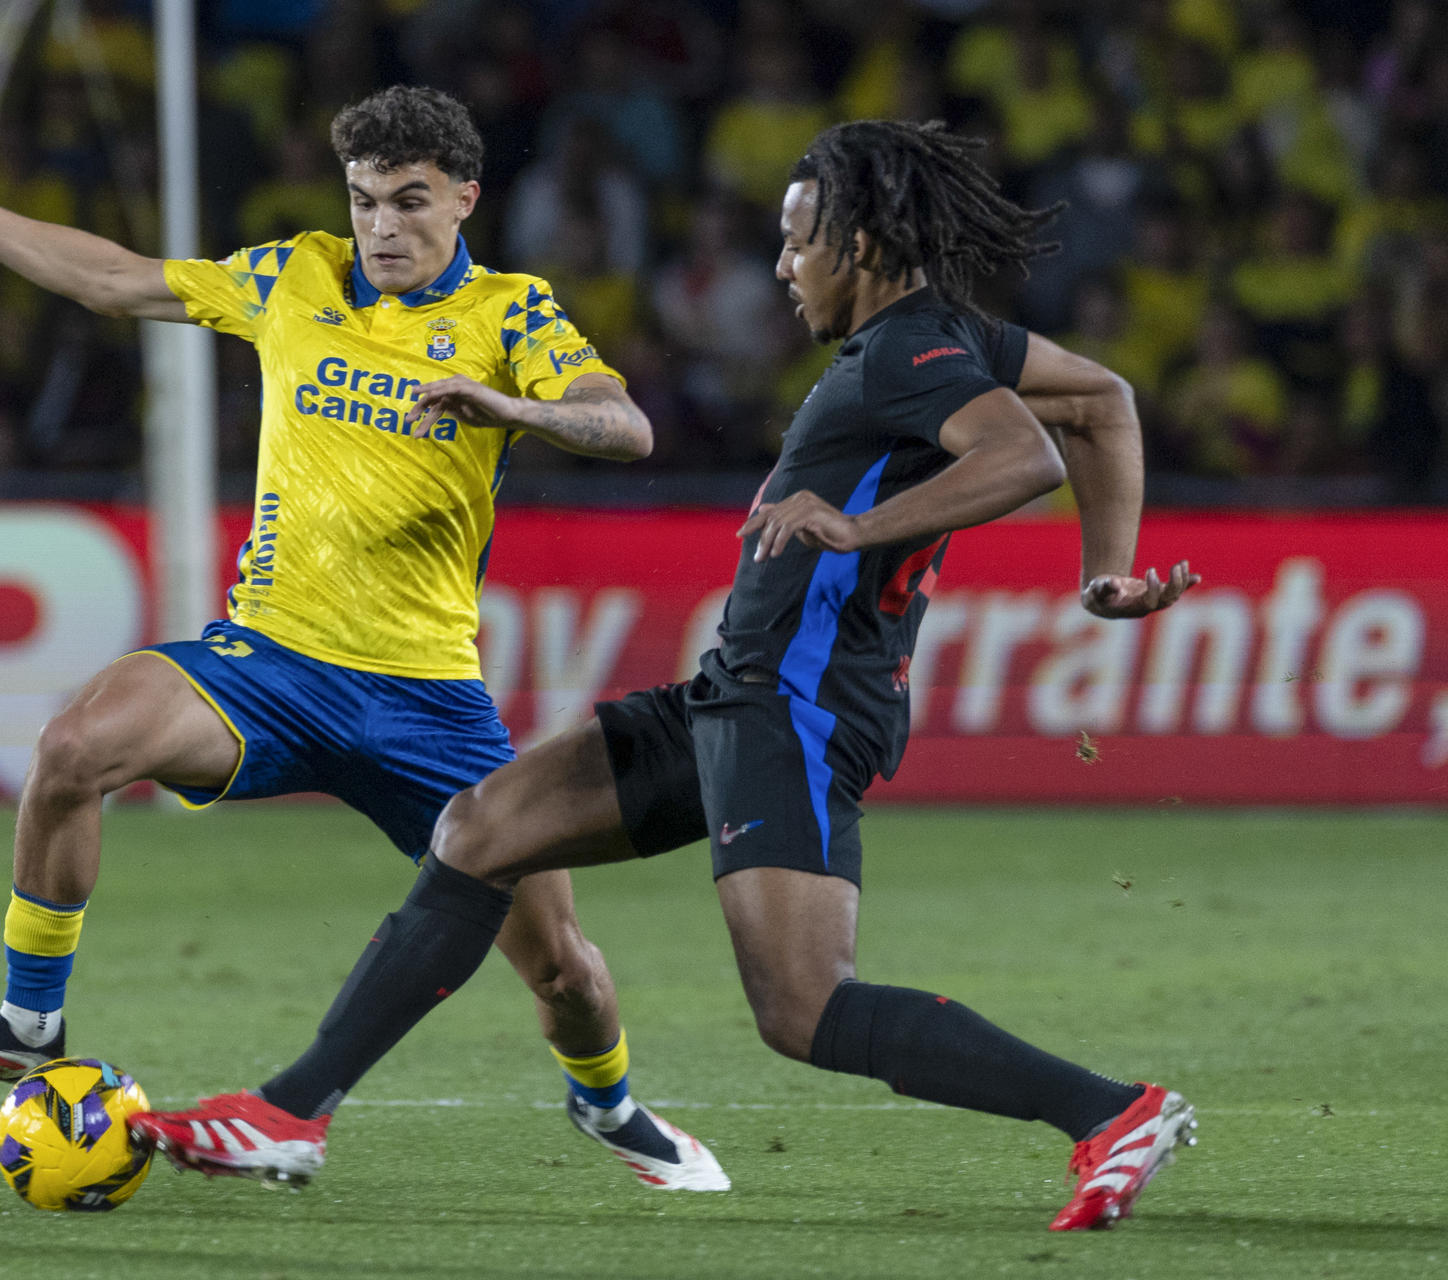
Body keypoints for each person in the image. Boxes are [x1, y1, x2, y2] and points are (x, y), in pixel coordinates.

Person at [128, 120, 1202, 1232]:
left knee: (803, 1006)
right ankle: (290, 1111)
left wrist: (856, 524)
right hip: (733, 694)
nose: (783, 267)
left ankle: (1111, 1111)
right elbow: (1101, 401)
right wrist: (1107, 571)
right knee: (478, 828)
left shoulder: (910, 351)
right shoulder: (952, 335)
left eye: (798, 243)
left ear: (866, 243)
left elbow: (1025, 452)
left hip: (798, 706)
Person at [0, 85, 727, 1193]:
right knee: (77, 744)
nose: (382, 225)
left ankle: (608, 1103)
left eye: (410, 201)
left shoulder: (513, 314)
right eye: (365, 198)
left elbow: (626, 422)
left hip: (428, 698)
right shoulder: (294, 275)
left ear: (466, 196)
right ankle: (30, 1019)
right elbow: (118, 280)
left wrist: (522, 411)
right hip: (271, 664)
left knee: (560, 966)